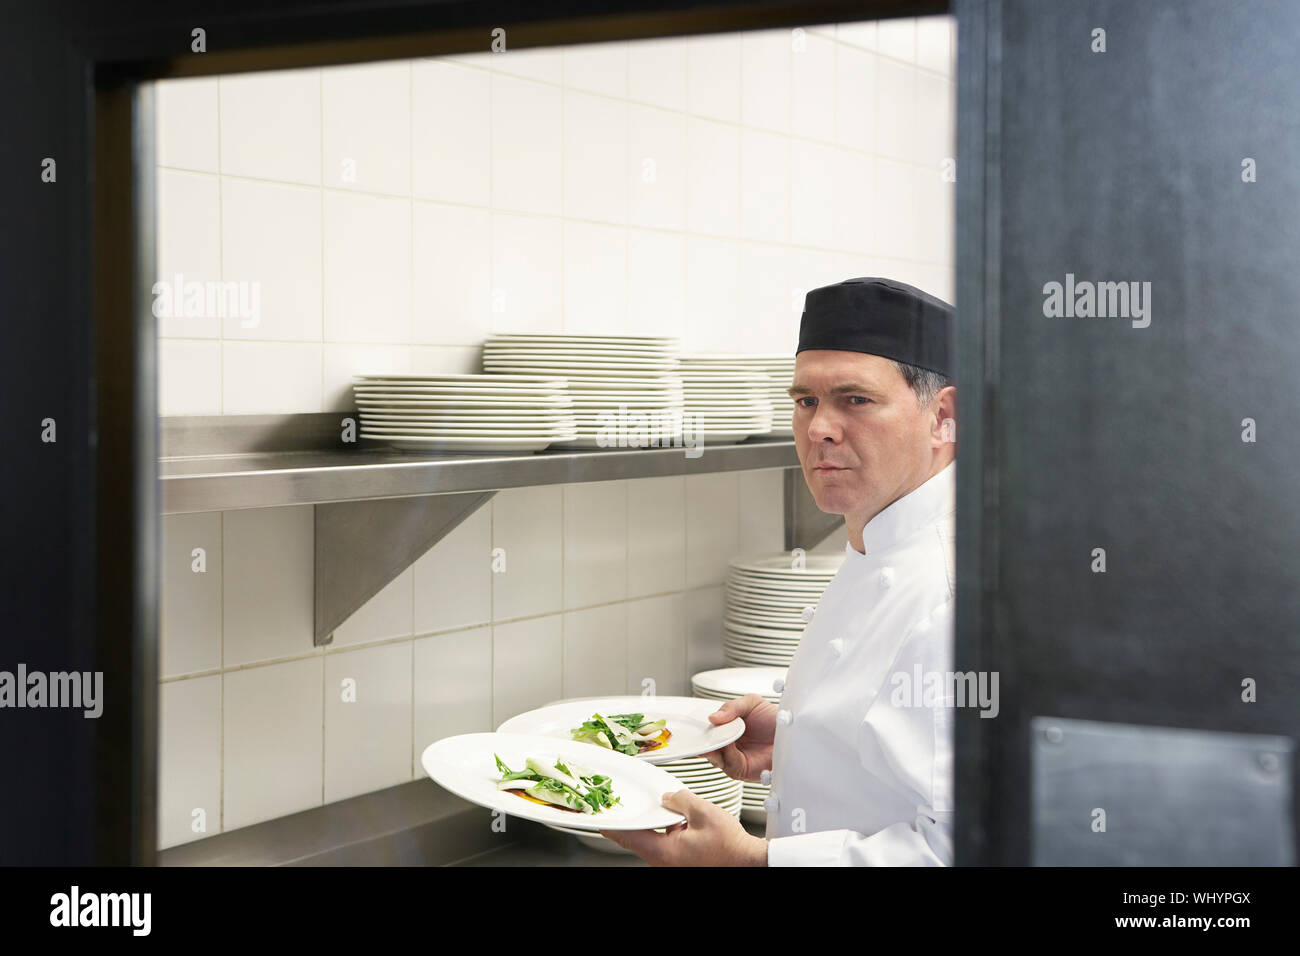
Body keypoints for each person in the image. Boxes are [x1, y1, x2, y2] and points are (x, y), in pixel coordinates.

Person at [601, 277, 957, 865]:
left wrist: (749, 860)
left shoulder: (951, 592)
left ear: (942, 416)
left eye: (855, 400)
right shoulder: (879, 538)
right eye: (805, 401)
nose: (819, 427)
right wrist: (801, 736)